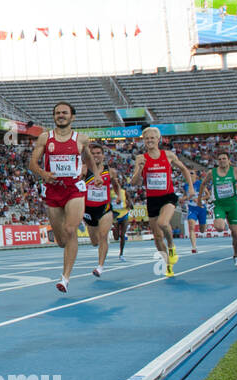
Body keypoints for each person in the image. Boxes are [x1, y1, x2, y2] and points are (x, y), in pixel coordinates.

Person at [29, 102, 95, 293]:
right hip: (52, 190)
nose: (61, 115)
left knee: (70, 229)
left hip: (74, 189)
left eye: (64, 113)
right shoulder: (45, 138)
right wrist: (43, 173)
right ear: (54, 116)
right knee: (61, 240)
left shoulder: (81, 139)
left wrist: (95, 174)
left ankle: (65, 278)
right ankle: (65, 243)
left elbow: (89, 158)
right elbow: (32, 163)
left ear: (72, 117)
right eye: (57, 113)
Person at [127, 127, 194, 277]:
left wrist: (190, 187)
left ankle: (171, 246)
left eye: (152, 138)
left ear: (159, 140)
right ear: (143, 141)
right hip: (152, 200)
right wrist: (140, 169)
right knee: (157, 237)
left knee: (163, 223)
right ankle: (168, 265)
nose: (149, 141)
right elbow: (135, 182)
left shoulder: (168, 155)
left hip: (168, 196)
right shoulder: (140, 158)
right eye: (146, 138)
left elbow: (184, 169)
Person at [199, 148, 237, 266]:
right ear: (217, 161)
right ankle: (223, 222)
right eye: (220, 159)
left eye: (224, 159)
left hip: (233, 205)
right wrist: (198, 200)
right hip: (220, 204)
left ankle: (236, 256)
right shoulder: (212, 172)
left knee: (236, 233)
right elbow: (203, 184)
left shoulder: (236, 171)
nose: (222, 161)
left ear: (228, 160)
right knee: (220, 228)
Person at [82, 142, 125, 278]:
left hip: (105, 208)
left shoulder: (110, 171)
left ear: (103, 155)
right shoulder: (84, 170)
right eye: (93, 154)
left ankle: (100, 267)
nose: (96, 156)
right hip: (88, 210)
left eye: (98, 153)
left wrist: (118, 196)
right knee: (95, 242)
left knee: (103, 236)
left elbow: (116, 185)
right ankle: (99, 243)